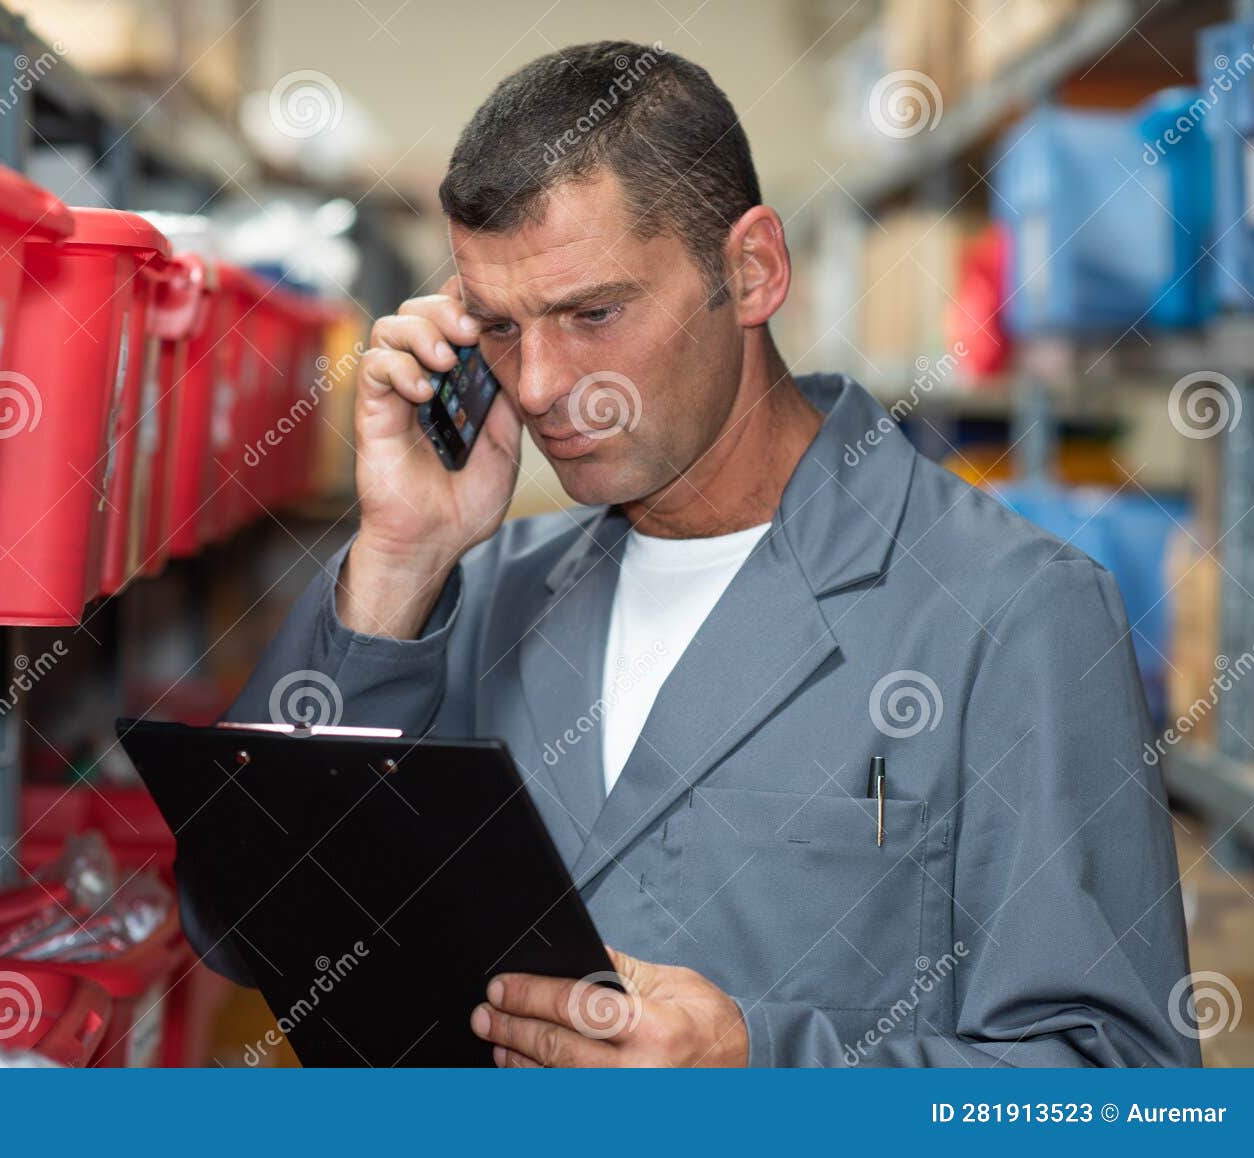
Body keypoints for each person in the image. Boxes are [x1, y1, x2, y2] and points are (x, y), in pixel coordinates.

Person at [190, 41, 1199, 1067]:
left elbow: (1116, 1091)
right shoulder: (474, 591)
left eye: (592, 314)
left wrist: (755, 1069)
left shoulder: (1009, 609)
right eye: (497, 326)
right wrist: (401, 559)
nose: (536, 385)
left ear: (750, 269)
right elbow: (238, 925)